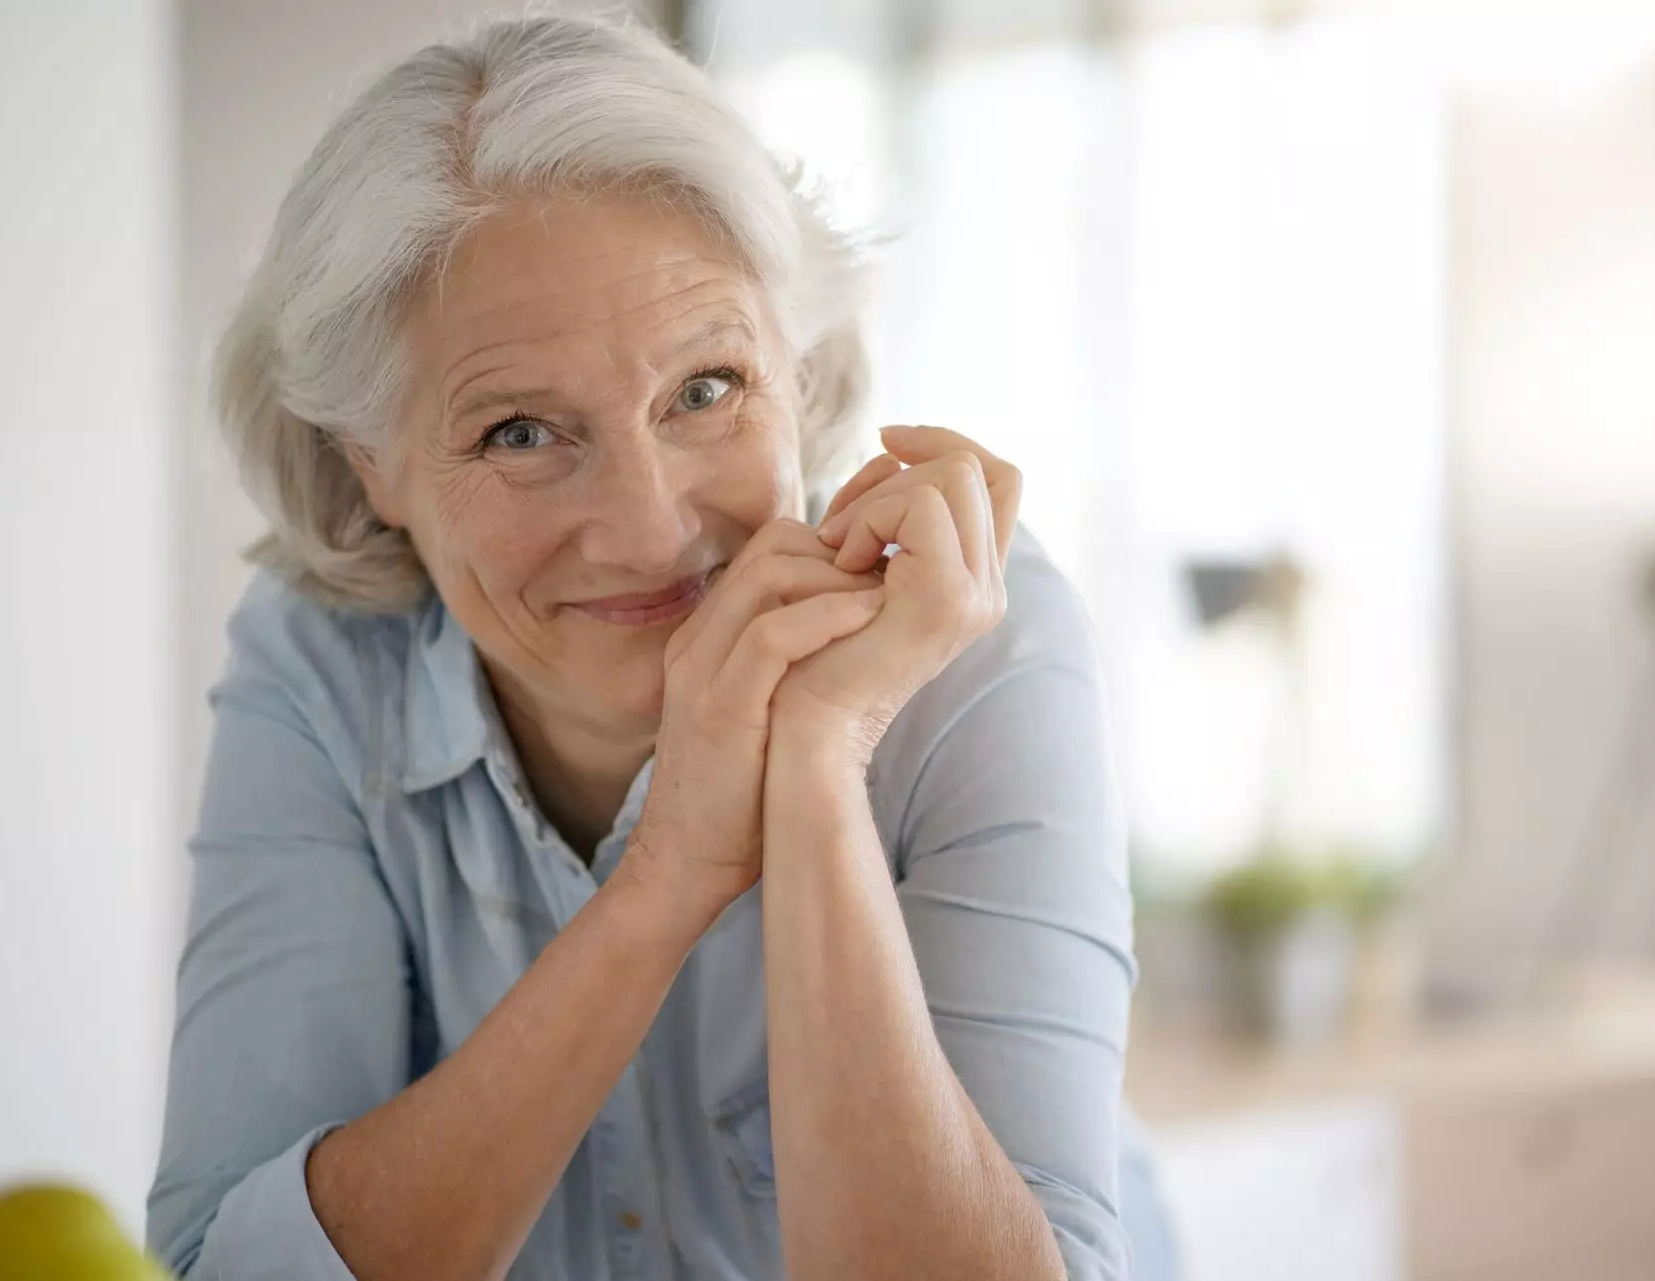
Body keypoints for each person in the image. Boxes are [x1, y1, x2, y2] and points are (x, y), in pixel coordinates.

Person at [147, 13, 1165, 1280]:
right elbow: (217, 1266)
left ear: (798, 370)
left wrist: (819, 764)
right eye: (520, 432)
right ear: (373, 466)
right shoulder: (322, 664)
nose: (647, 530)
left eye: (705, 390)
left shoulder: (973, 639)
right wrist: (669, 874)